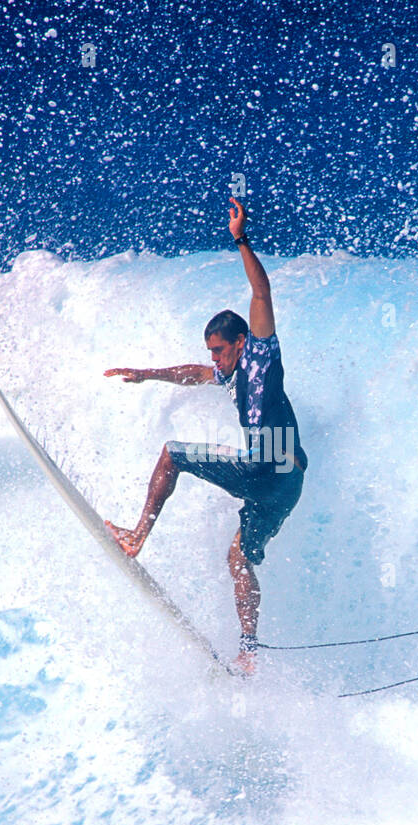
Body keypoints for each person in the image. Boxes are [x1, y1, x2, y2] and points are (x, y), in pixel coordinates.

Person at [104, 198, 307, 675]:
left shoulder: (259, 353)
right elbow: (195, 373)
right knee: (238, 557)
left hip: (271, 461)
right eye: (212, 353)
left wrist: (240, 238)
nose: (215, 359)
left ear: (240, 341)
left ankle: (136, 537)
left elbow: (262, 293)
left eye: (219, 350)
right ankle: (250, 650)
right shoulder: (230, 372)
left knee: (172, 453)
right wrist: (147, 374)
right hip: (286, 484)